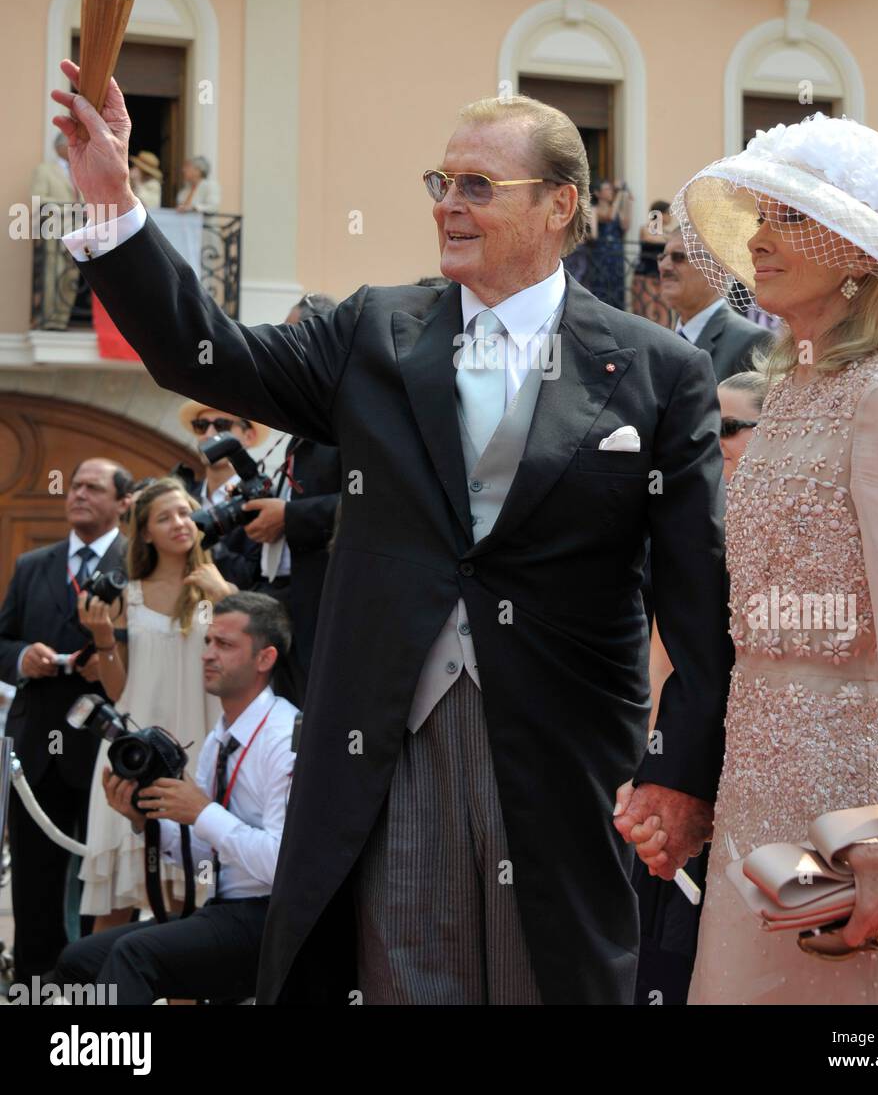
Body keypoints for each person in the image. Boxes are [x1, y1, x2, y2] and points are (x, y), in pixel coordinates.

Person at [54, 68, 730, 1007]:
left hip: (565, 760)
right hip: (389, 745)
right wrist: (116, 200)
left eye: (477, 187)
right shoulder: (373, 329)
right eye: (440, 183)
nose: (448, 206)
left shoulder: (662, 370)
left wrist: (681, 775)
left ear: (560, 205)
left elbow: (697, 601)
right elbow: (204, 352)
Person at [646, 112, 878, 1004]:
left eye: (785, 220)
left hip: (853, 806)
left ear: (856, 250)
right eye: (758, 218)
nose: (756, 241)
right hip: (751, 787)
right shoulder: (790, 392)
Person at [54, 592, 297, 1005]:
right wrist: (142, 819)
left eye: (225, 645)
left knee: (133, 956)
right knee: (79, 960)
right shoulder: (220, 738)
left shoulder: (285, 736)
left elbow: (282, 865)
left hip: (270, 918)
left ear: (265, 658)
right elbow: (203, 853)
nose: (207, 655)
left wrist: (202, 811)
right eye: (207, 642)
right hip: (223, 908)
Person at [635, 368, 771, 1005]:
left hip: (764, 778)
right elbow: (659, 667)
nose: (711, 444)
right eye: (703, 431)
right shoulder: (683, 534)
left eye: (730, 429)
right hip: (677, 774)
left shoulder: (794, 545)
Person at [77, 477, 230, 928]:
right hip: (135, 744)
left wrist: (226, 598)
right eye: (165, 517)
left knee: (189, 909)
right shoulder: (130, 595)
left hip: (199, 745)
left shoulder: (215, 589)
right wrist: (104, 638)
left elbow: (252, 659)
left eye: (185, 512)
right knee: (117, 908)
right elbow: (118, 691)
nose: (180, 523)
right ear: (145, 533)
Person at [0, 457, 130, 981]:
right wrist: (19, 658)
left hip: (105, 745)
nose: (78, 494)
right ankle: (34, 984)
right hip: (37, 743)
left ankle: (95, 986)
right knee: (34, 879)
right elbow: (1, 638)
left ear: (123, 502)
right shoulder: (35, 564)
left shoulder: (136, 561)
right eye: (74, 486)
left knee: (106, 876)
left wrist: (116, 660)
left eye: (93, 488)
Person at [242, 292, 343, 686]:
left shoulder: (347, 416)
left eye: (290, 335)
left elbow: (373, 501)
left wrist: (288, 517)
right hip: (283, 603)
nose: (280, 349)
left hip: (326, 610)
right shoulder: (305, 416)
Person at [171, 401, 271, 591]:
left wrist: (202, 537)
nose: (209, 434)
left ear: (248, 437)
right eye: (201, 426)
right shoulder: (181, 495)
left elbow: (251, 575)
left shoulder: (261, 500)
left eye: (221, 425)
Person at [659, 228, 772, 382]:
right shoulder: (662, 340)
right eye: (662, 257)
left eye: (678, 257)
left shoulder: (752, 343)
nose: (664, 266)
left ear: (718, 269)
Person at [32, 132, 83, 329]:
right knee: (54, 273)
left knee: (72, 276)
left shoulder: (79, 170)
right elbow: (38, 200)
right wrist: (69, 206)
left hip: (78, 231)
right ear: (60, 147)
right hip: (54, 231)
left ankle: (62, 319)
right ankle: (50, 319)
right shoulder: (44, 171)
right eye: (72, 144)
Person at [588, 179, 630, 309]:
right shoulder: (595, 210)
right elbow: (609, 217)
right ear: (597, 193)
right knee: (602, 284)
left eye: (612, 189)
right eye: (607, 189)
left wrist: (626, 197)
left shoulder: (616, 209)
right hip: (602, 252)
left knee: (616, 284)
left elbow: (625, 225)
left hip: (616, 251)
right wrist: (618, 194)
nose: (611, 191)